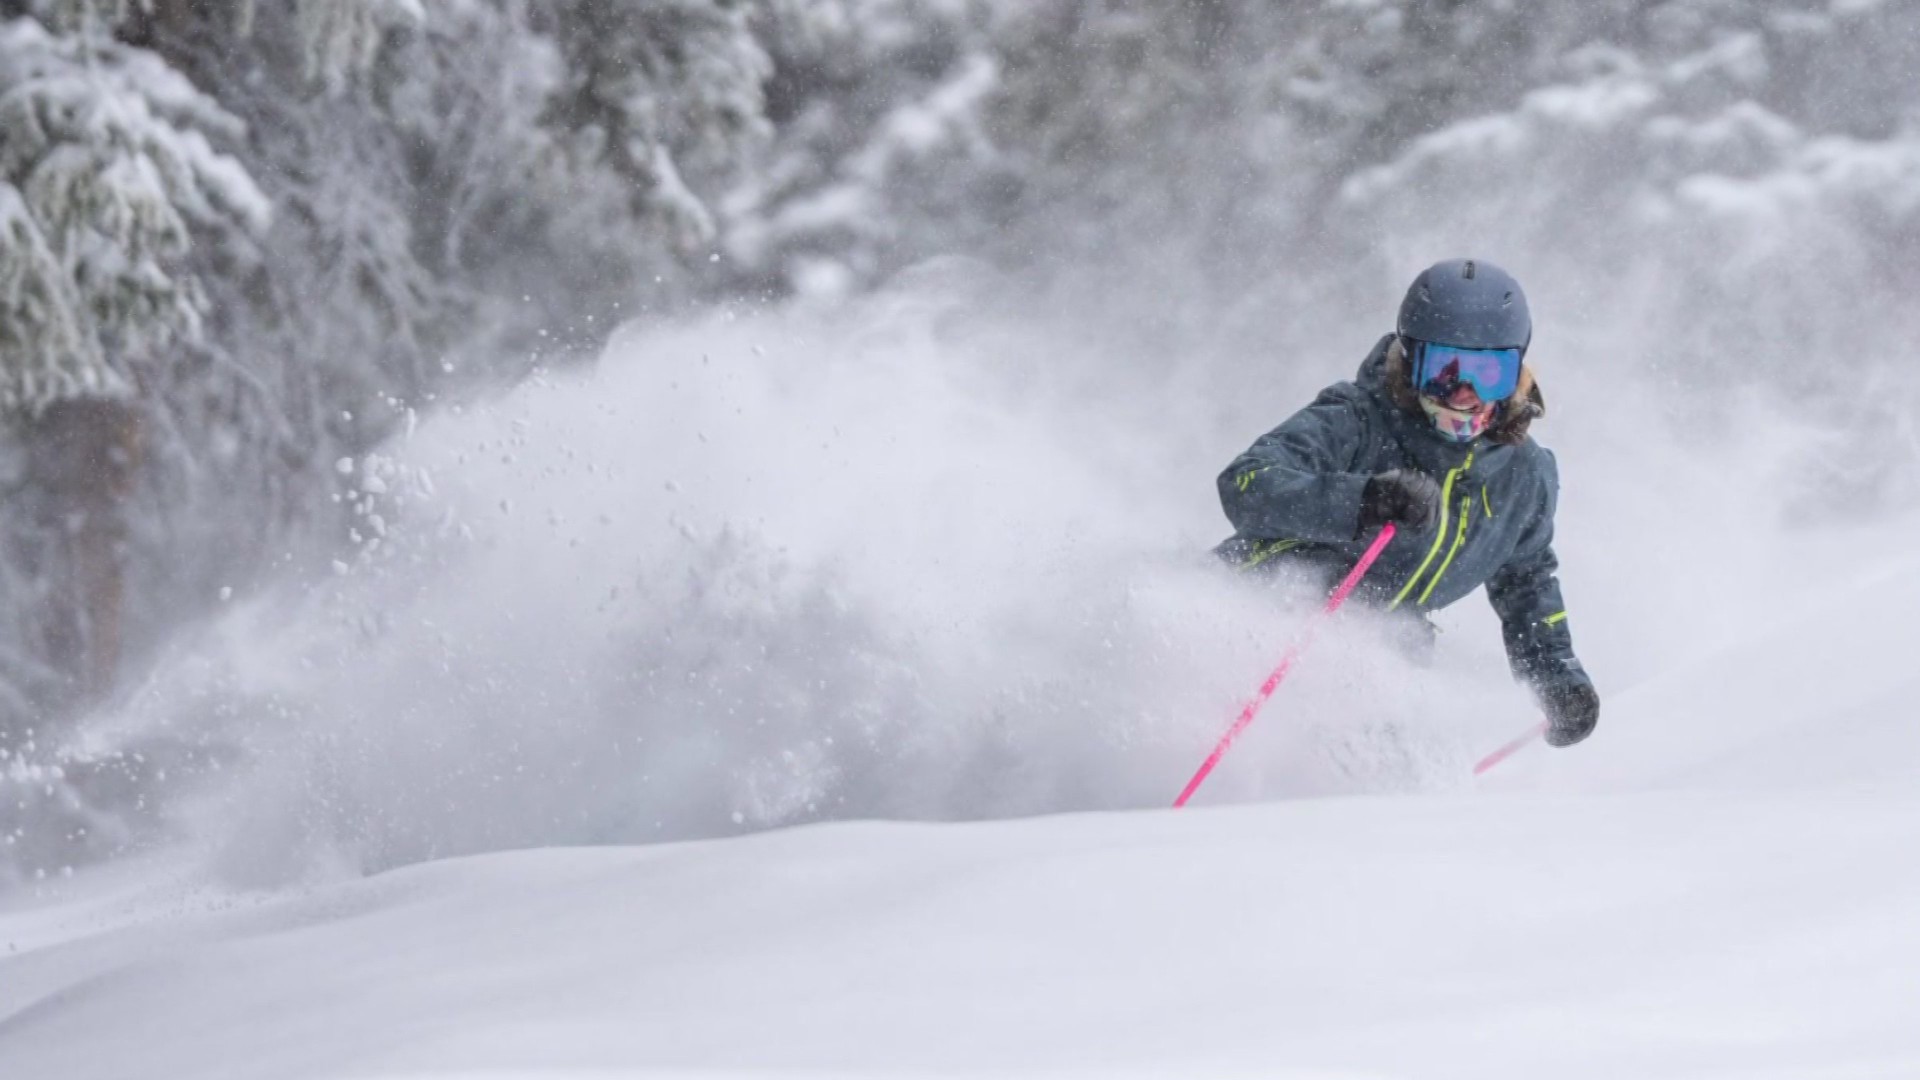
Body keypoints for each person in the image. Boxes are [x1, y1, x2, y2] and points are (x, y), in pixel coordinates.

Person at [1214, 258, 1599, 747]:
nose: (1464, 394)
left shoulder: (1523, 475)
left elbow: (1527, 580)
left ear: (1517, 373)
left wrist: (1557, 675)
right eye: (1444, 371)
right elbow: (1246, 482)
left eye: (1489, 373)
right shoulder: (1356, 419)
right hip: (1256, 611)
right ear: (1411, 361)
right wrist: (1363, 500)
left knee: (1398, 666)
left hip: (1373, 651)